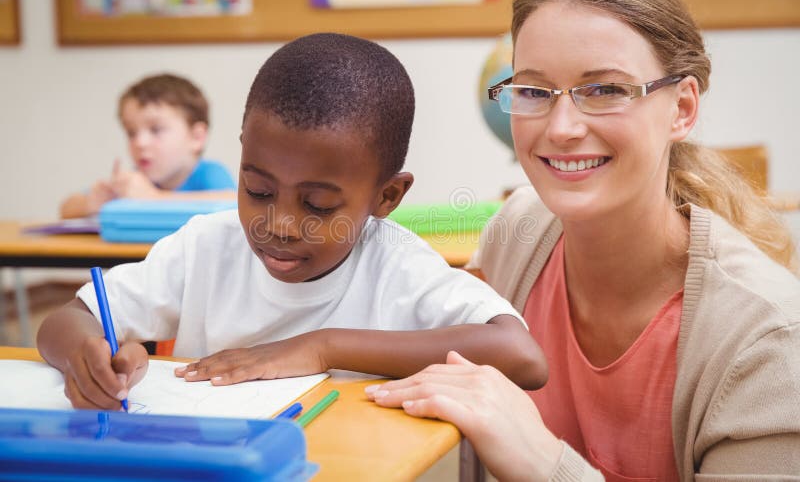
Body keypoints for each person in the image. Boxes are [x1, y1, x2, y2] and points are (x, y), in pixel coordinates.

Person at [366, 0, 800, 481]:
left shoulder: (769, 343)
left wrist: (545, 464)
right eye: (533, 91)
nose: (563, 127)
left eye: (606, 90)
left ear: (682, 108)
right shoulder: (516, 232)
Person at [37, 33, 547, 411]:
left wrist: (321, 347)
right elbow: (62, 322)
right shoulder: (205, 248)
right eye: (258, 191)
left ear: (386, 196)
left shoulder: (397, 267)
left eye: (318, 205)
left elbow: (522, 356)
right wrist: (85, 352)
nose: (278, 224)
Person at [59, 74, 236, 219]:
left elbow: (234, 203)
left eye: (156, 130)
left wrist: (154, 198)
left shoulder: (209, 173)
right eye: (131, 132)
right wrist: (92, 201)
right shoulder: (135, 180)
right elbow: (66, 208)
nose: (140, 143)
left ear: (196, 137)